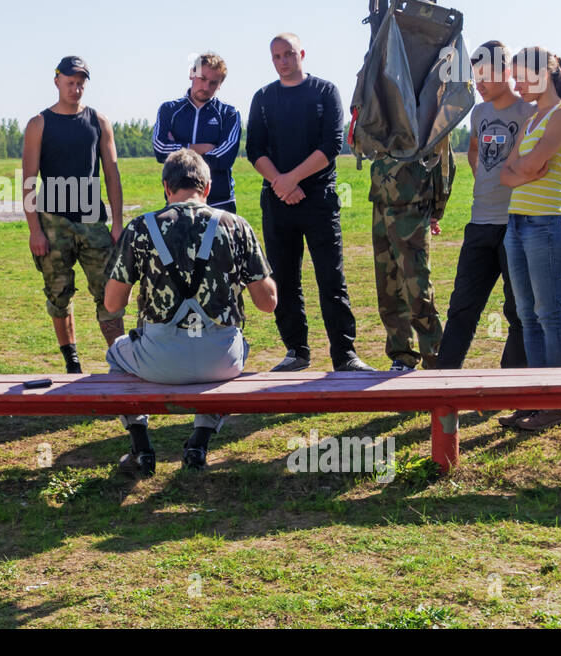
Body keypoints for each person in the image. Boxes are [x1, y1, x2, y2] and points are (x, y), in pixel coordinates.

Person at [104, 149, 277, 475]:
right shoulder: (237, 226)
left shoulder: (140, 228)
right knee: (242, 343)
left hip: (158, 358)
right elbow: (268, 303)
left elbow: (112, 304)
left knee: (116, 356)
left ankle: (140, 444)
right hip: (221, 359)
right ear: (208, 188)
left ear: (166, 187)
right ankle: (200, 437)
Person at [437, 41, 561, 385]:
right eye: (473, 76)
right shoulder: (481, 114)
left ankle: (515, 386)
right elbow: (479, 152)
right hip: (486, 223)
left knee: (525, 315)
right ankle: (440, 381)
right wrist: (501, 174)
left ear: (506, 73)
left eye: (483, 75)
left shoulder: (533, 110)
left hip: (522, 222)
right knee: (466, 307)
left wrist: (542, 168)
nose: (477, 83)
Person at [245, 33, 375, 373]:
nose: (284, 61)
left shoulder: (325, 92)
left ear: (301, 53)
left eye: (289, 54)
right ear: (271, 60)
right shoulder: (262, 98)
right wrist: (281, 182)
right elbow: (254, 149)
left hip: (318, 198)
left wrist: (294, 179)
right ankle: (295, 351)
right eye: (277, 56)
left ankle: (345, 354)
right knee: (284, 279)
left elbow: (332, 144)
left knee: (331, 278)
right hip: (277, 200)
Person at [497, 46, 561, 430]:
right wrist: (523, 173)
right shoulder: (534, 118)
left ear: (544, 73)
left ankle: (559, 403)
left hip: (547, 224)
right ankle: (537, 399)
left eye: (520, 76)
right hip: (517, 224)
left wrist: (524, 171)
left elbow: (529, 165)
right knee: (528, 316)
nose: (515, 85)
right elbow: (507, 174)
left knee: (551, 315)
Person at [22, 56, 127, 374]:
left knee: (109, 291)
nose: (76, 86)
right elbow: (28, 179)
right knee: (58, 293)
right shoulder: (39, 124)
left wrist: (119, 224)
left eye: (81, 81)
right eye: (70, 80)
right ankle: (72, 362)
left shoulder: (99, 121)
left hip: (93, 221)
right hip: (53, 223)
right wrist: (35, 231)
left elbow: (112, 174)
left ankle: (120, 360)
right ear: (57, 81)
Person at [368, 109, 455, 372]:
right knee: (388, 287)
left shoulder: (428, 107)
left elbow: (445, 161)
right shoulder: (380, 102)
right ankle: (402, 355)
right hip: (382, 203)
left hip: (413, 205)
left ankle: (434, 357)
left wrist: (435, 209)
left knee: (417, 286)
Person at [152, 52, 242, 211]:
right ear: (192, 74)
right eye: (202, 79)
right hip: (177, 201)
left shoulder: (229, 113)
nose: (206, 87)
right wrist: (202, 148)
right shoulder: (169, 110)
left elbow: (224, 159)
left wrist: (178, 151)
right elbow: (160, 150)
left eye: (213, 83)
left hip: (220, 203)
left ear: (220, 84)